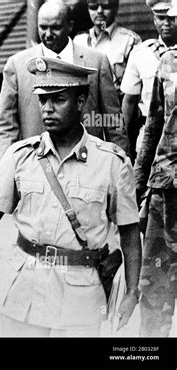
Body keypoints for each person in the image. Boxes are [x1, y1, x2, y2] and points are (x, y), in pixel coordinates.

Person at [0, 57, 141, 337]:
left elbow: (130, 233)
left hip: (80, 297)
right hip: (25, 290)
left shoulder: (112, 163)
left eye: (58, 100)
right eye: (43, 100)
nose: (47, 109)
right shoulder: (19, 156)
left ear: (81, 101)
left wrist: (132, 291)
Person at [0, 0, 128, 166]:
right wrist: (7, 171)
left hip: (88, 167)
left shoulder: (97, 61)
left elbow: (112, 120)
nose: (48, 34)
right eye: (42, 27)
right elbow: (4, 126)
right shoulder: (17, 65)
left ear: (70, 26)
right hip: (37, 169)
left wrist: (121, 165)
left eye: (55, 27)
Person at [134, 2, 177, 337]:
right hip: (165, 189)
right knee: (154, 291)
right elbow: (153, 126)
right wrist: (138, 186)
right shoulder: (167, 61)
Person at [121, 0, 177, 162]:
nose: (167, 24)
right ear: (153, 19)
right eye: (161, 18)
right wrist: (122, 141)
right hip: (150, 134)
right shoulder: (141, 54)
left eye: (172, 18)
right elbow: (129, 102)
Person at [75, 0, 141, 101]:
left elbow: (135, 89)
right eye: (93, 7)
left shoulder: (130, 41)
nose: (99, 11)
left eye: (106, 7)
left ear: (116, 8)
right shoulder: (79, 40)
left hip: (117, 106)